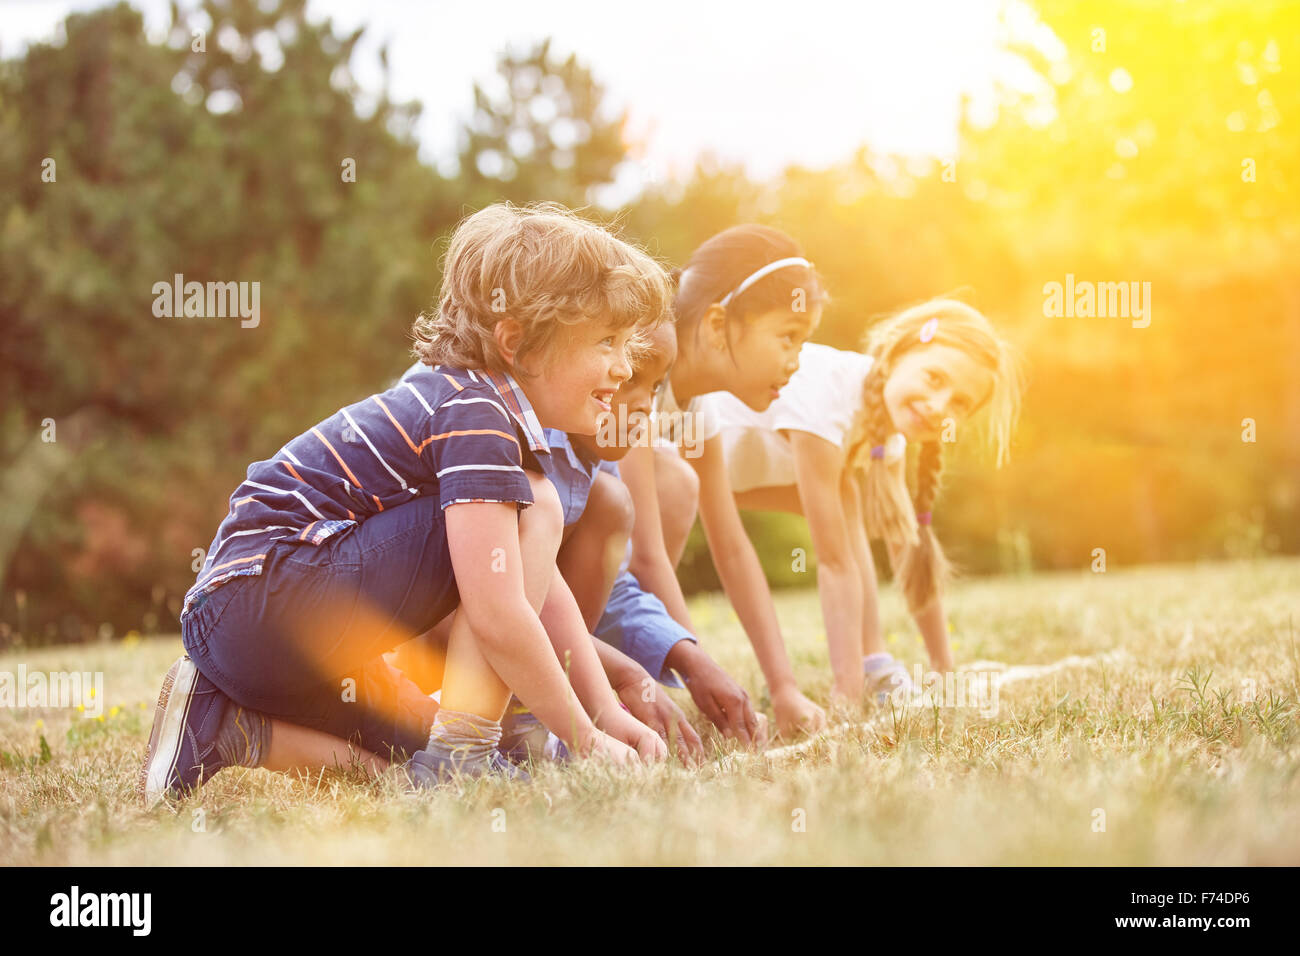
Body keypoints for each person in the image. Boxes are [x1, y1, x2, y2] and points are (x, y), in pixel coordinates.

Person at [139, 203, 672, 809]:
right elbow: (497, 610)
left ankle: (217, 725)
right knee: (536, 510)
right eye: (607, 341)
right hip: (267, 595)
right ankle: (462, 756)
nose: (625, 366)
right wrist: (584, 737)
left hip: (255, 628)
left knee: (418, 754)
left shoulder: (476, 412)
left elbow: (538, 585)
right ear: (518, 343)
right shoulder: (476, 417)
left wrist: (604, 712)